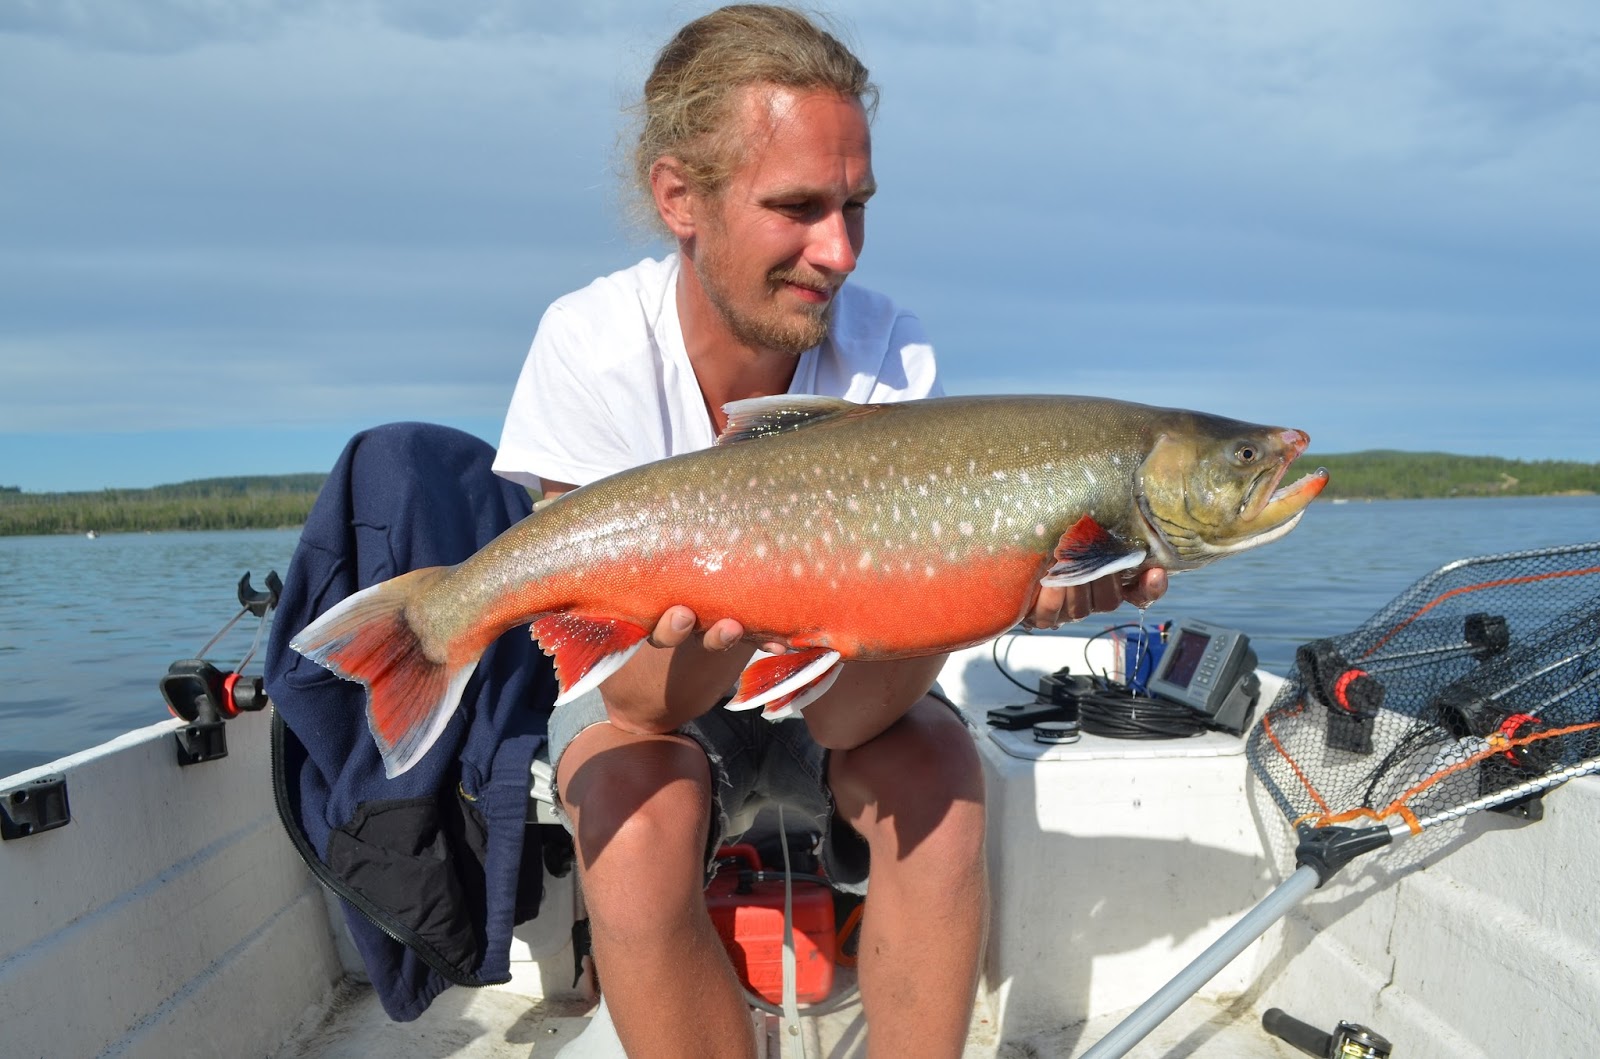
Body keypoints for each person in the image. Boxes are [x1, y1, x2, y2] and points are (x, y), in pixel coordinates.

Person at [492, 7, 1167, 1056]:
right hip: (666, 696)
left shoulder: (890, 351)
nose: (838, 251)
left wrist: (980, 593)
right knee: (633, 822)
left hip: (838, 687)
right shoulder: (588, 347)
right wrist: (722, 623)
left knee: (939, 780)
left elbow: (854, 717)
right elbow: (632, 699)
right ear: (680, 197)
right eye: (798, 208)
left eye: (856, 207)